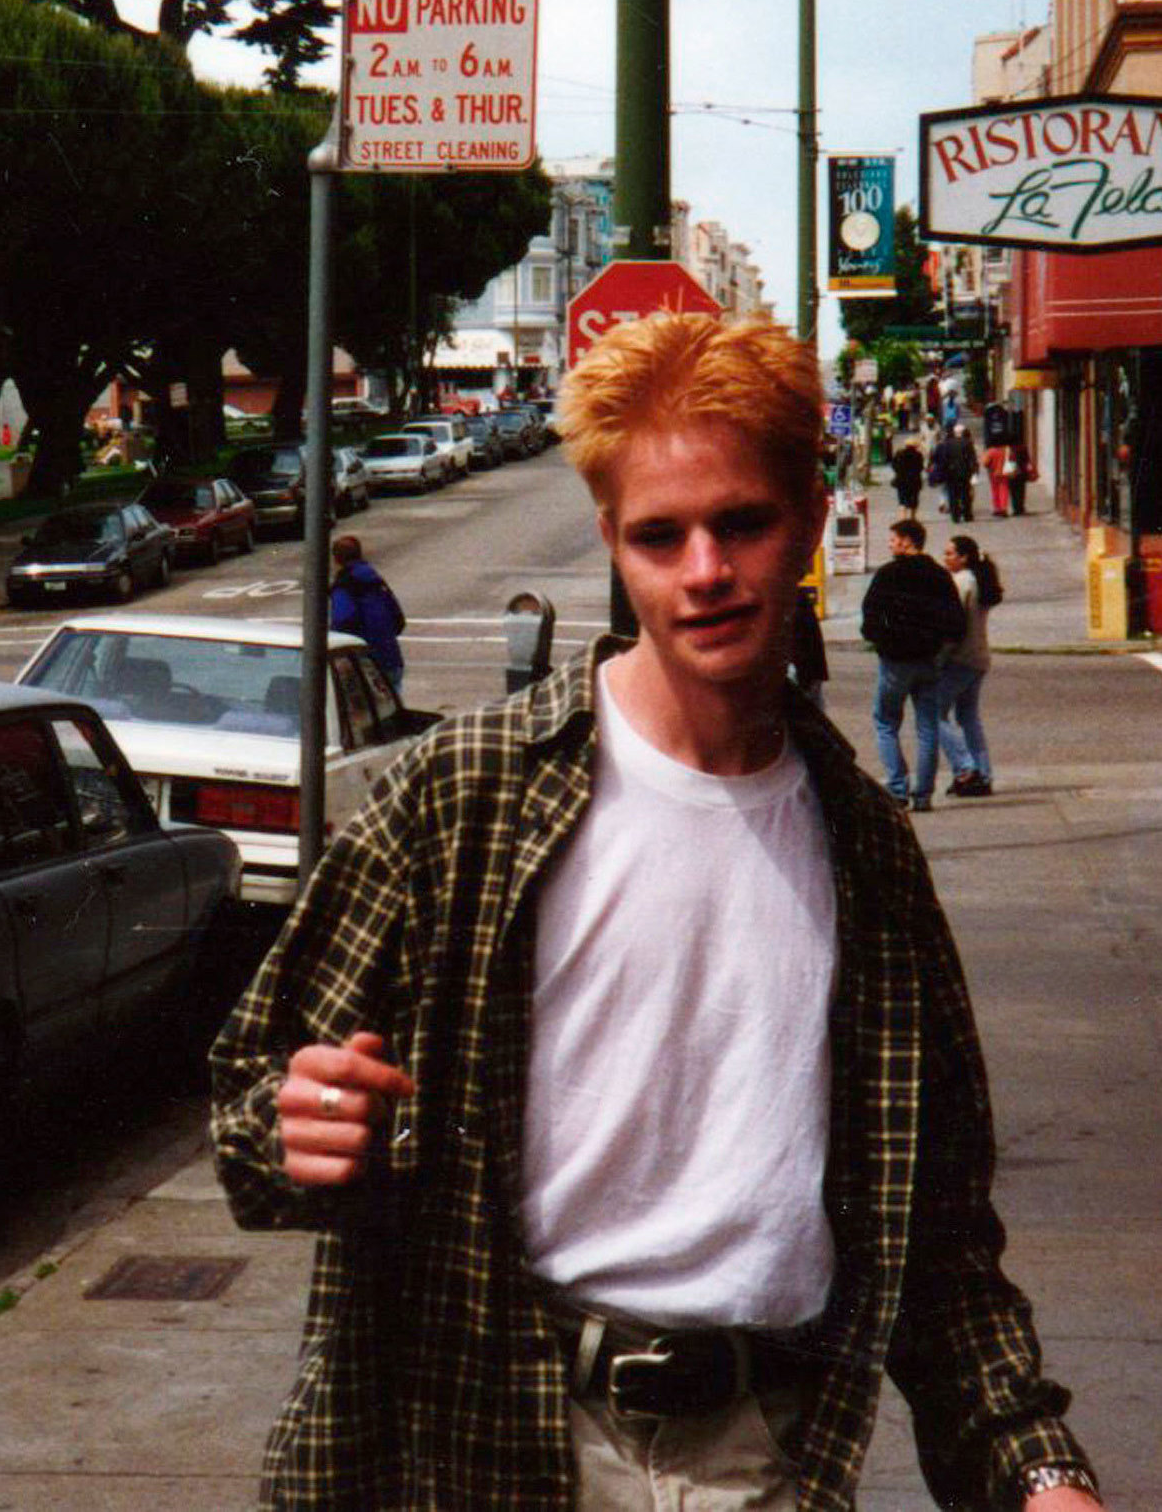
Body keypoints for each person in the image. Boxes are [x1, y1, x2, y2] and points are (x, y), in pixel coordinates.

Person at [210, 314, 1101, 1512]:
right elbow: (251, 1085)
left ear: (806, 509)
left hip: (759, 1455)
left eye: (740, 522)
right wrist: (294, 1123)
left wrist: (1038, 1472)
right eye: (659, 534)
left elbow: (939, 1241)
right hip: (480, 1441)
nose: (703, 572)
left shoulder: (868, 852)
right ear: (609, 543)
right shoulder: (465, 797)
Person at [860, 518, 968, 811]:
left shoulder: (887, 575)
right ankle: (923, 794)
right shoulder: (939, 576)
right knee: (928, 727)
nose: (889, 543)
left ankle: (897, 788)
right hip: (929, 659)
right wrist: (938, 648)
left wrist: (881, 641)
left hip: (895, 661)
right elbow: (957, 623)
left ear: (907, 541)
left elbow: (870, 618)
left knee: (885, 721)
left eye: (893, 539)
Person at [940, 535, 1005, 798]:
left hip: (960, 658)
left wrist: (941, 655)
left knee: (933, 713)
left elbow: (954, 624)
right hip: (979, 657)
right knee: (968, 717)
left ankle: (966, 767)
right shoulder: (980, 580)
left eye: (949, 554)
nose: (945, 559)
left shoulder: (961, 582)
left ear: (963, 557)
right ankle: (983, 772)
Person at [325, 532, 406, 694]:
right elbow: (399, 620)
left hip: (365, 665)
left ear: (336, 560)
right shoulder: (375, 580)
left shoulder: (345, 585)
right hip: (391, 657)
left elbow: (342, 621)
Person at [930, 424, 978, 523]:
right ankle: (967, 514)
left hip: (951, 472)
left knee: (953, 494)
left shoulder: (947, 443)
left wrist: (943, 471)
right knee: (965, 494)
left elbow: (944, 459)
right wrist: (974, 471)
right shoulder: (967, 443)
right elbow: (972, 458)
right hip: (965, 472)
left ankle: (955, 516)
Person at [888, 434, 927, 518]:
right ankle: (912, 517)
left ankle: (903, 517)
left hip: (901, 480)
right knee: (914, 499)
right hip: (914, 480)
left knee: (902, 499)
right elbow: (920, 467)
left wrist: (899, 472)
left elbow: (894, 465)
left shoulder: (899, 454)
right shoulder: (918, 455)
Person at [982, 439, 1016, 519]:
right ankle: (1003, 508)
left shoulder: (991, 451)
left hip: (993, 474)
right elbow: (1012, 460)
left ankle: (997, 508)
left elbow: (985, 463)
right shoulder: (1007, 450)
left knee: (995, 491)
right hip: (1005, 473)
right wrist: (1012, 471)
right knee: (1004, 490)